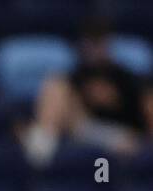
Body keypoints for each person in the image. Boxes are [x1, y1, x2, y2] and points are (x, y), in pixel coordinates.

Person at [21, 15, 151, 167]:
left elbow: (142, 118)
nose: (95, 50)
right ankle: (39, 151)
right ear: (82, 45)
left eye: (99, 43)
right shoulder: (75, 75)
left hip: (122, 135)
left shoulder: (125, 77)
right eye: (90, 43)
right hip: (79, 129)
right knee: (55, 87)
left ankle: (36, 144)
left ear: (108, 44)